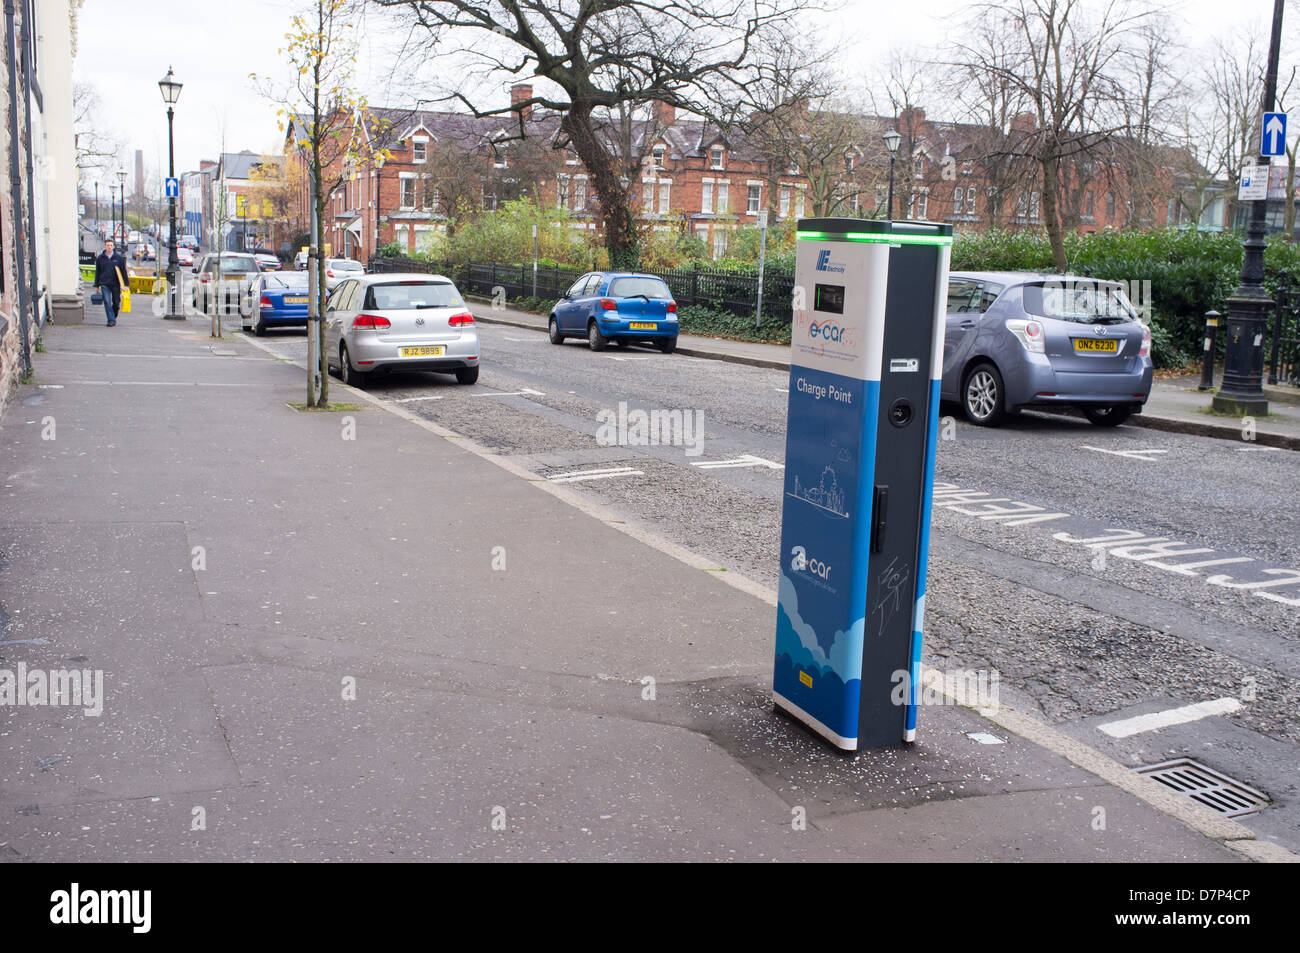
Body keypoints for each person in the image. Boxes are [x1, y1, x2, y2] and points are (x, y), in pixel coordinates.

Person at [94, 239, 127, 326]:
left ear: (113, 247)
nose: (109, 247)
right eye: (108, 245)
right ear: (105, 246)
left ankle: (113, 316)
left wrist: (126, 284)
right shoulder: (101, 258)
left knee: (116, 302)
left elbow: (123, 272)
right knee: (107, 302)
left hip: (116, 284)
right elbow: (98, 272)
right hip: (105, 283)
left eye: (111, 245)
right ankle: (111, 320)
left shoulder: (119, 258)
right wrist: (96, 285)